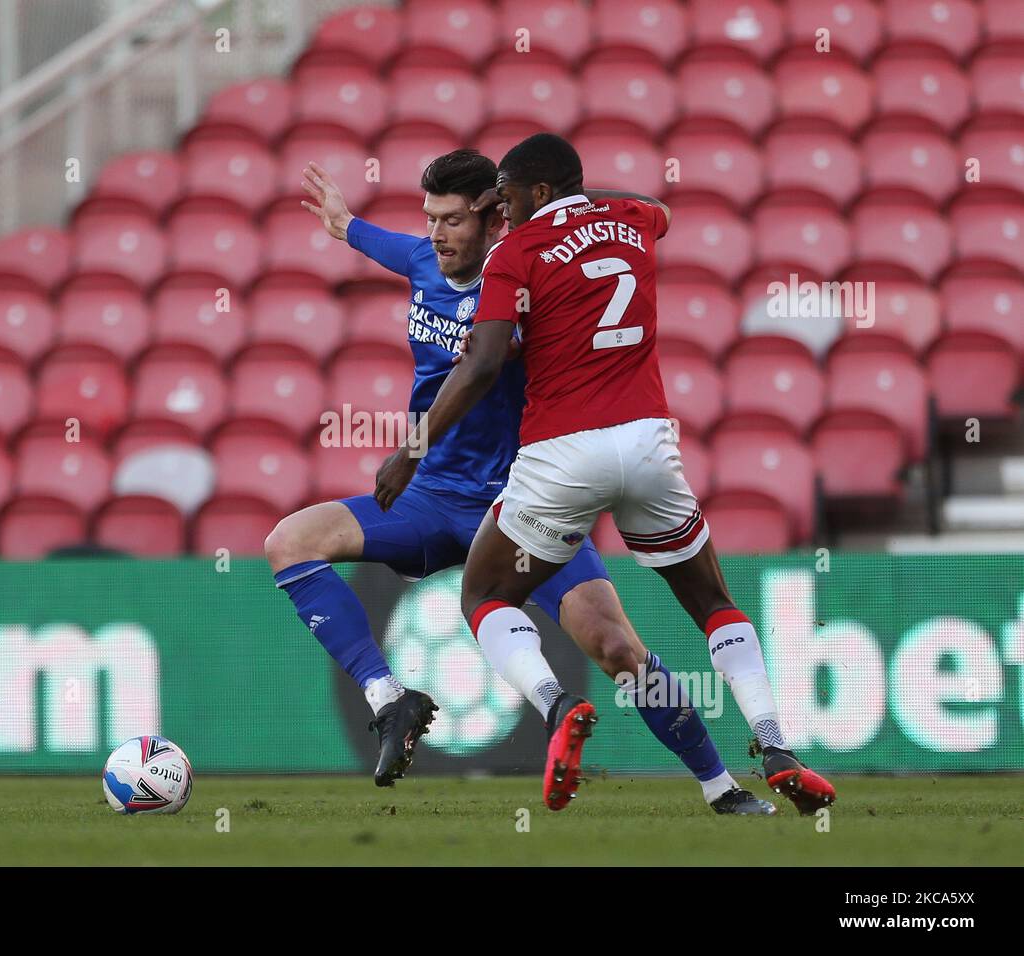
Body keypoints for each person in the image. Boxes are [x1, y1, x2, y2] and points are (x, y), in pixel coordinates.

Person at [266, 151, 772, 814]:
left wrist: (408, 449)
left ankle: (720, 786)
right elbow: (378, 241)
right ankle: (392, 701)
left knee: (618, 647)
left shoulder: (527, 277)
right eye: (431, 219)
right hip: (428, 502)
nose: (438, 234)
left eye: (452, 219)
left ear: (493, 215)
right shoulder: (424, 260)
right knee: (289, 541)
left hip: (524, 508)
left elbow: (483, 366)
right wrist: (345, 224)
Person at [373, 133, 835, 815]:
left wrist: (411, 448)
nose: (502, 210)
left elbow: (482, 363)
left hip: (562, 455)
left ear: (534, 193)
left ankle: (556, 704)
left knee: (483, 592)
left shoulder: (515, 254)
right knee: (712, 600)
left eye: (507, 196)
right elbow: (654, 207)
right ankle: (773, 745)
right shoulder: (635, 223)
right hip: (650, 446)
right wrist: (586, 206)